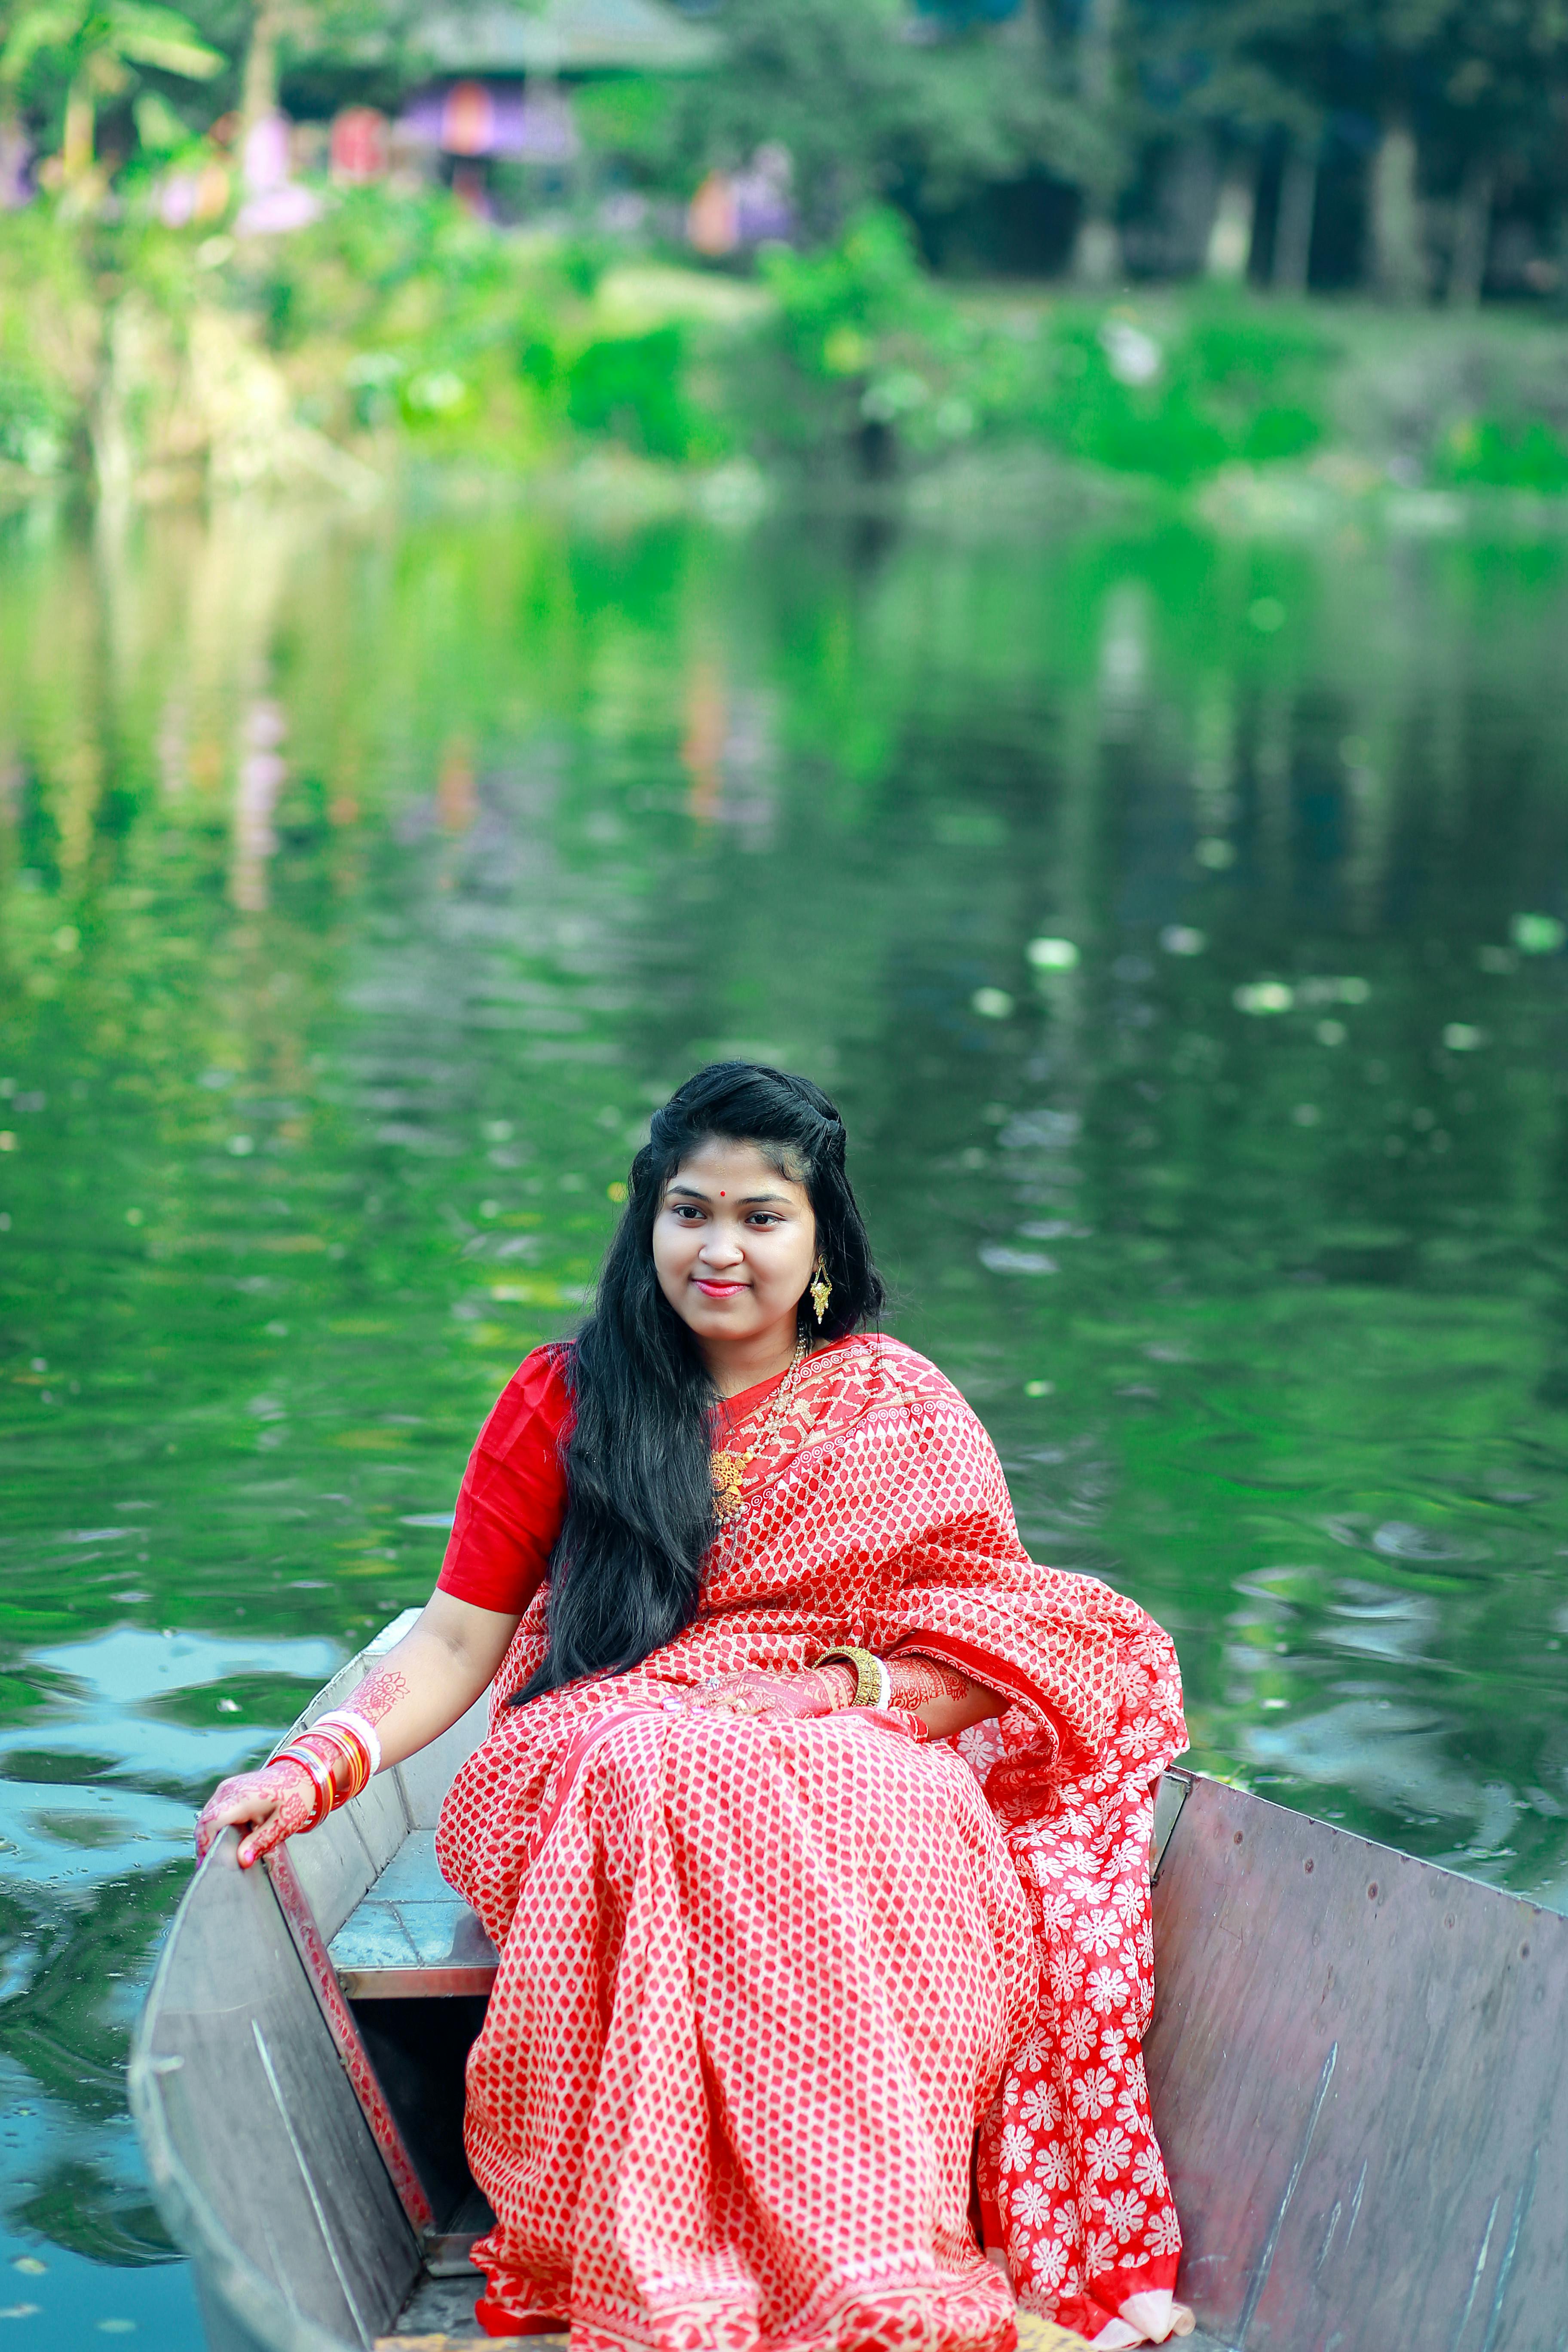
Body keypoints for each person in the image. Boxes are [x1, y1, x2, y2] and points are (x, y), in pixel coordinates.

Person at [196, 1063, 1192, 2352]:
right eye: (690, 1211)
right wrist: (312, 1768)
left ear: (823, 1240)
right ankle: (723, 2271)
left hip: (840, 1733)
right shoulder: (566, 1397)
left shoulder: (899, 1408)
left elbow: (996, 1626)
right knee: (674, 1758)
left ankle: (871, 2265)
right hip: (594, 1741)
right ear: (645, 1222)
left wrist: (835, 1690)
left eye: (763, 1217)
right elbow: (456, 1641)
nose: (721, 1248)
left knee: (863, 1788)